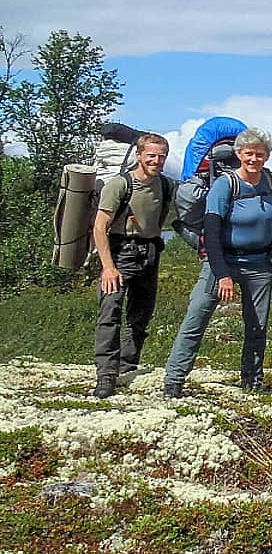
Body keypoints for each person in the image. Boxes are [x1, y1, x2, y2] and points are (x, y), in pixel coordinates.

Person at [163, 128, 272, 398]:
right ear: (239, 154)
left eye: (260, 154)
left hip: (260, 264)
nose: (254, 159)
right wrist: (222, 274)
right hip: (222, 261)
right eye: (248, 153)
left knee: (257, 327)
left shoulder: (271, 182)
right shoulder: (224, 185)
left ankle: (252, 382)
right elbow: (212, 231)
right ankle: (174, 380)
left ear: (267, 156)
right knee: (196, 319)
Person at [91, 133, 172, 399]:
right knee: (110, 314)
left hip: (149, 253)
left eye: (161, 156)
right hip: (119, 253)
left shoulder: (165, 185)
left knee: (140, 317)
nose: (156, 161)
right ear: (139, 155)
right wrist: (108, 268)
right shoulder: (120, 184)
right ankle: (106, 376)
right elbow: (99, 228)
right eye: (151, 155)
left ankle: (127, 367)